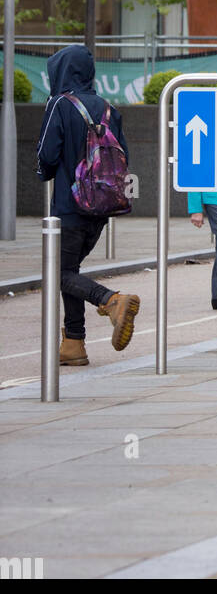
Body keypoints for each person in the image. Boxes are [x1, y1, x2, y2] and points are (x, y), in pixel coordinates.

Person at [35, 44, 139, 366]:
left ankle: (110, 300)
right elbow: (123, 155)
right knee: (70, 271)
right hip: (101, 208)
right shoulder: (108, 108)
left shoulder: (60, 104)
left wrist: (44, 171)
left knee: (56, 273)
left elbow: (47, 157)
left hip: (69, 206)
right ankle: (74, 345)